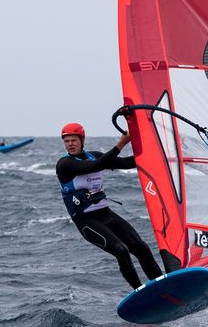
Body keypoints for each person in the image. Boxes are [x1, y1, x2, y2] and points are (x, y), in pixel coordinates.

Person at [56, 121, 162, 290]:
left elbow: (127, 163)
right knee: (121, 250)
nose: (70, 144)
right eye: (67, 141)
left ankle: (163, 285)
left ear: (82, 140)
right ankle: (140, 291)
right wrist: (122, 143)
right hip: (87, 221)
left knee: (141, 247)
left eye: (73, 140)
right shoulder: (65, 164)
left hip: (106, 214)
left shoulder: (94, 155)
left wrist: (156, 153)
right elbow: (96, 166)